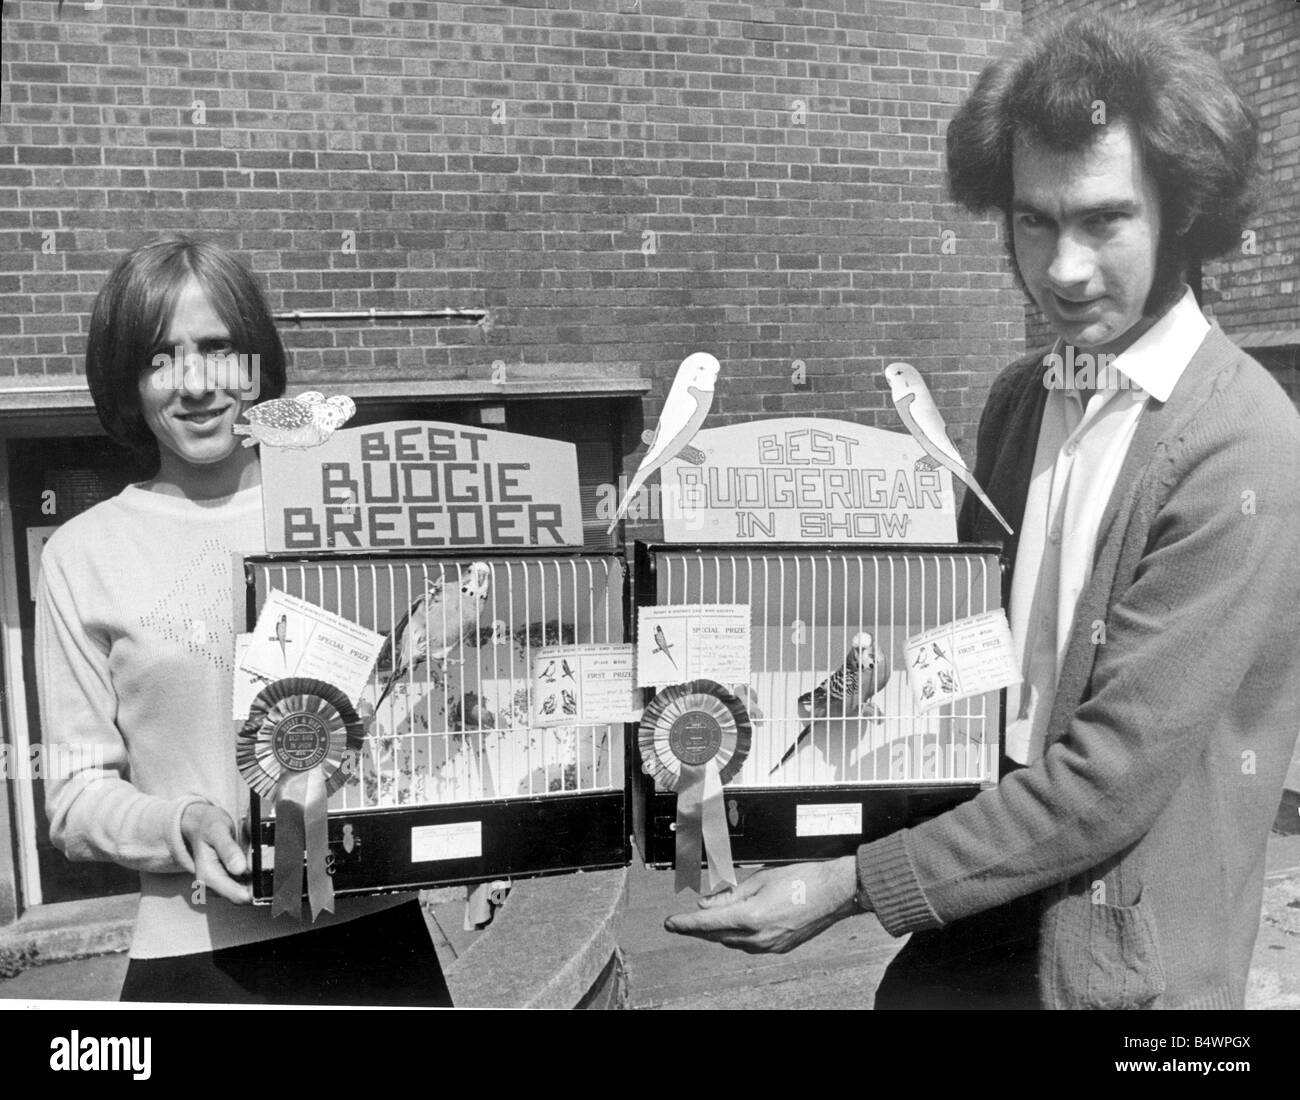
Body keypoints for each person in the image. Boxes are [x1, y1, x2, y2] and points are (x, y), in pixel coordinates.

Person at [665, 11, 1300, 1010]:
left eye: (1103, 218)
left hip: (1129, 968)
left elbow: (1108, 777)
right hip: (982, 910)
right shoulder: (1021, 397)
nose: (1061, 268)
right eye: (1032, 219)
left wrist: (846, 884)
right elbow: (945, 656)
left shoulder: (1242, 441)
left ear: (1183, 210)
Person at [37, 237, 453, 1006]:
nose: (194, 384)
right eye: (161, 357)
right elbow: (72, 798)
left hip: (378, 936)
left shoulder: (350, 510)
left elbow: (424, 703)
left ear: (257, 361)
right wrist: (181, 824)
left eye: (219, 349)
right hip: (196, 962)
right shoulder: (81, 554)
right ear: (127, 379)